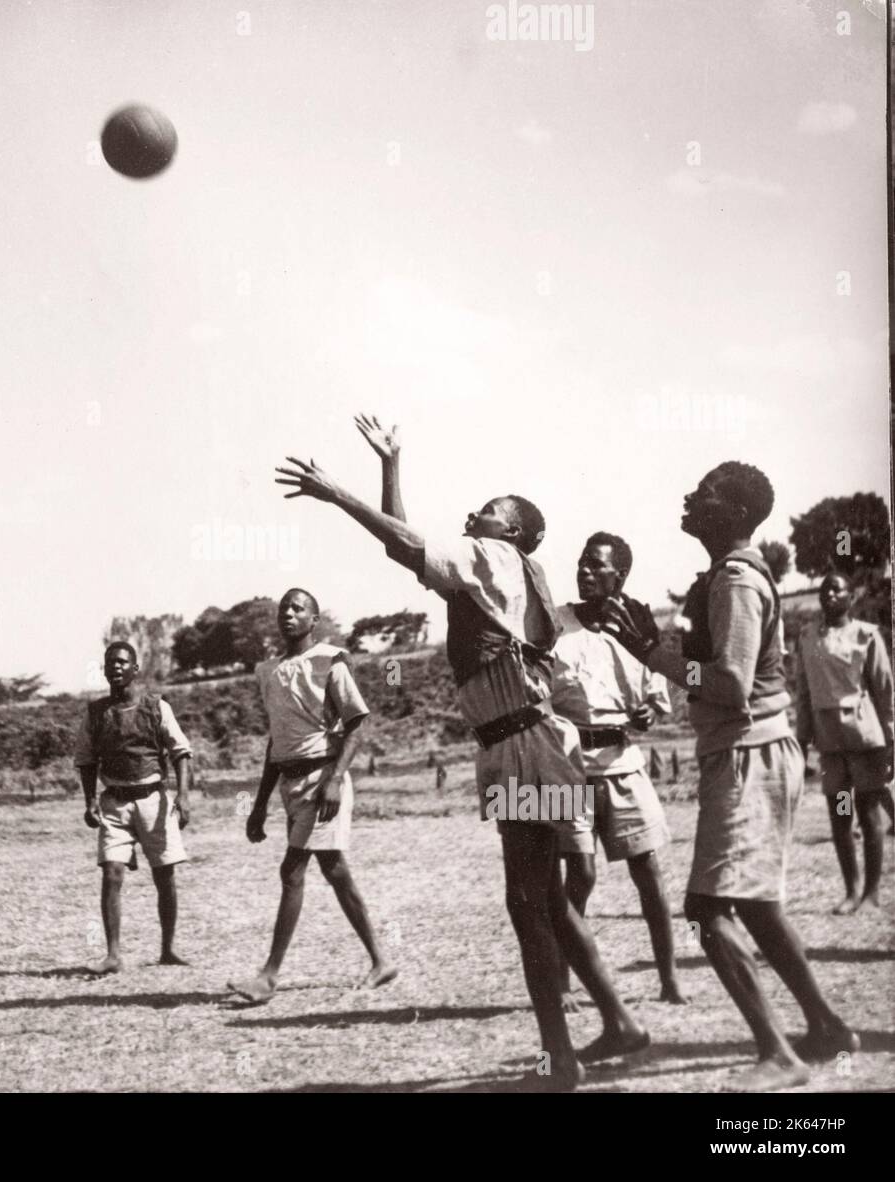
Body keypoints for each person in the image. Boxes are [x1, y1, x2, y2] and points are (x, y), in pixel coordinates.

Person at [273, 417, 647, 1090]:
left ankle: (559, 1058)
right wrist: (391, 466)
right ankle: (616, 1022)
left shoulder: (498, 560)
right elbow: (407, 549)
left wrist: (339, 494)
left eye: (490, 512)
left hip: (525, 743)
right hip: (523, 741)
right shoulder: (502, 568)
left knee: (527, 902)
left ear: (515, 533)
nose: (475, 514)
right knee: (547, 901)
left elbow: (408, 541)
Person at [603, 462, 858, 1091]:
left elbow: (729, 683)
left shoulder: (738, 579)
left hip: (749, 751)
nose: (692, 497)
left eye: (708, 494)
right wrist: (664, 649)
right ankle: (825, 1027)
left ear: (737, 514)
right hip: (755, 750)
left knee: (707, 908)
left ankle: (777, 1053)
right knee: (760, 909)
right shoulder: (729, 576)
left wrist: (652, 654)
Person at [228, 589, 396, 1004]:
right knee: (336, 870)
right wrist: (261, 804)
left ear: (314, 620)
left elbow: (358, 723)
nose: (288, 613)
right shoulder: (267, 671)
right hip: (291, 784)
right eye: (284, 607)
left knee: (292, 871)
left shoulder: (328, 660)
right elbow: (276, 743)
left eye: (298, 608)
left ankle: (268, 977)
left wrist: (336, 779)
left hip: (324, 781)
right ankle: (381, 960)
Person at [550, 535, 686, 1005]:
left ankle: (669, 980)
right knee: (580, 876)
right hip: (569, 767)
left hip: (623, 764)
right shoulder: (556, 623)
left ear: (619, 576)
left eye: (596, 566)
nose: (585, 572)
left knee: (649, 873)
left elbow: (656, 697)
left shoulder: (636, 624)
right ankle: (564, 982)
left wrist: (649, 711)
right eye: (581, 564)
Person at [76, 641, 192, 973]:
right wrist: (88, 800)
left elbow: (181, 752)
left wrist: (183, 796)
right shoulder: (96, 713)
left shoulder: (157, 707)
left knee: (164, 875)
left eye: (122, 662)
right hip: (114, 802)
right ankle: (113, 955)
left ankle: (168, 949)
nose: (115, 667)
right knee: (111, 873)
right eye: (110, 662)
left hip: (154, 800)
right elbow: (85, 760)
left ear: (135, 668)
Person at [795, 570, 892, 914]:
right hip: (831, 747)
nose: (830, 595)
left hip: (865, 741)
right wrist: (802, 740)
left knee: (868, 816)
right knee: (840, 815)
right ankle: (851, 890)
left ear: (851, 598)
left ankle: (872, 892)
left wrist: (892, 738)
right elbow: (804, 694)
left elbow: (884, 690)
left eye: (838, 590)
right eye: (825, 590)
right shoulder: (808, 638)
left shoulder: (866, 636)